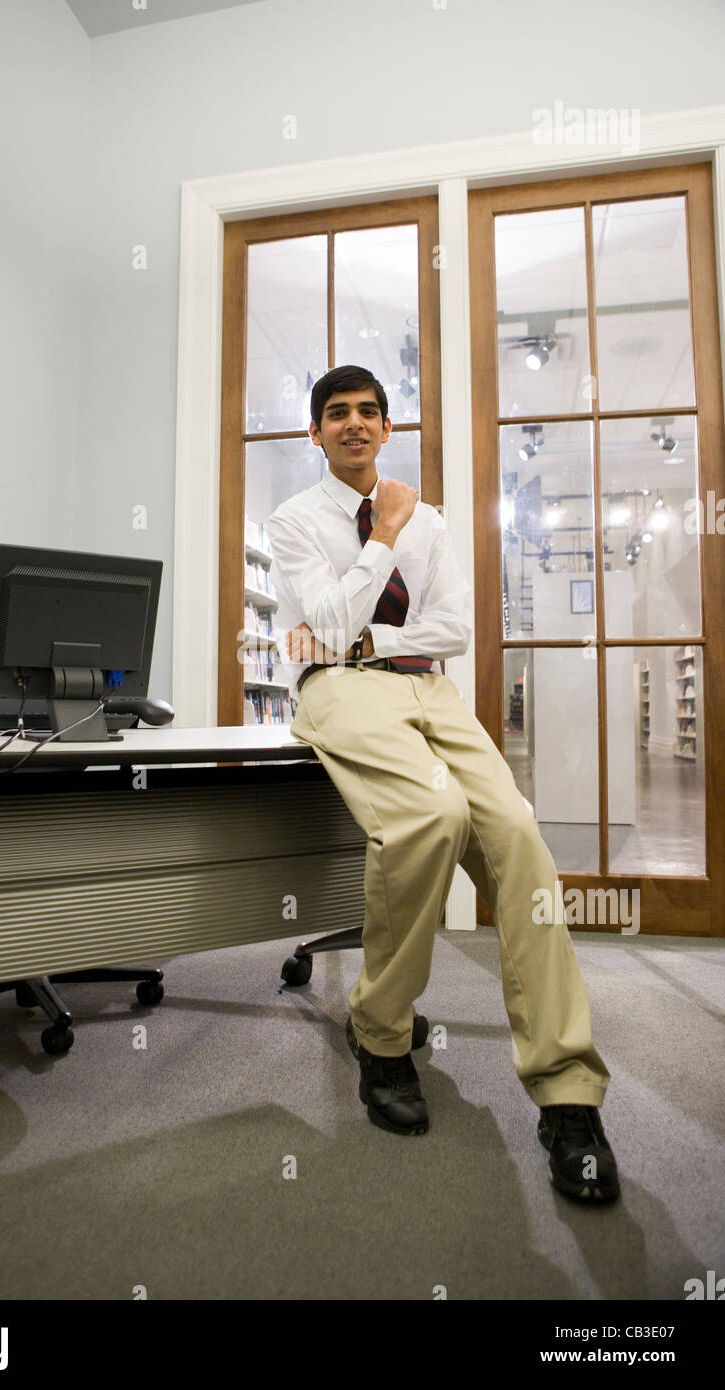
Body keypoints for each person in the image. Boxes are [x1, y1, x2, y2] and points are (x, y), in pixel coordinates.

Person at [264, 364, 619, 1204]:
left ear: (388, 429)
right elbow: (329, 630)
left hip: (429, 686)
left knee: (519, 841)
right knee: (430, 813)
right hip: (336, 689)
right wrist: (383, 536)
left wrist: (369, 634)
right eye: (337, 413)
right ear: (315, 433)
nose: (355, 423)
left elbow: (454, 629)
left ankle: (567, 1089)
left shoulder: (434, 520)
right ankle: (382, 1034)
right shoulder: (294, 522)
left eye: (369, 412)